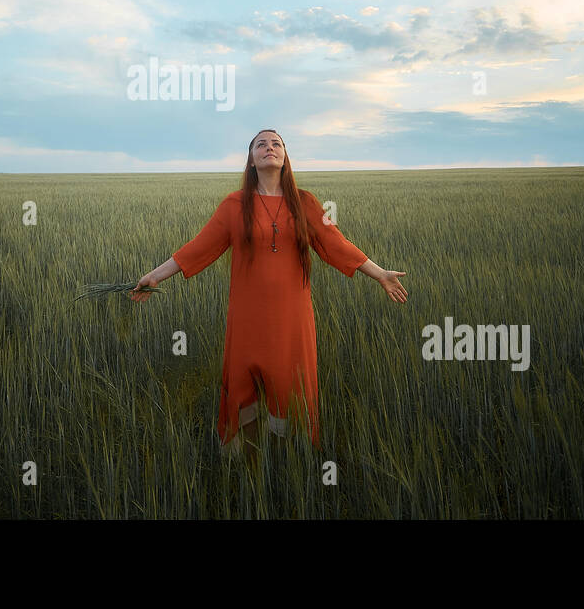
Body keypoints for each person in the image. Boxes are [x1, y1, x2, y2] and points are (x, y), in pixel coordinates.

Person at [130, 129, 408, 461]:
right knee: (244, 389)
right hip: (247, 318)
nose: (269, 148)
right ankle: (249, 467)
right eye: (261, 144)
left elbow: (337, 245)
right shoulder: (234, 205)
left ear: (285, 156)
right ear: (251, 159)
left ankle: (281, 466)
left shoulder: (305, 203)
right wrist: (154, 276)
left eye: (276, 143)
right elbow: (197, 248)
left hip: (291, 319)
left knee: (287, 388)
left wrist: (379, 274)